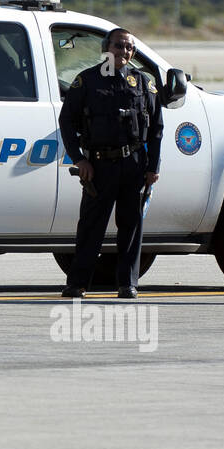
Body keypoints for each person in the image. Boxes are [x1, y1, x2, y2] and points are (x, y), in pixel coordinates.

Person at [57, 28, 163, 299]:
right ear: (106, 48)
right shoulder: (87, 80)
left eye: (128, 48)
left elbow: (156, 128)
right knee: (91, 227)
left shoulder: (142, 82)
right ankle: (77, 283)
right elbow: (66, 122)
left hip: (134, 164)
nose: (123, 52)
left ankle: (128, 284)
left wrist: (153, 168)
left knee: (131, 226)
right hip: (100, 166)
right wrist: (79, 159)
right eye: (118, 46)